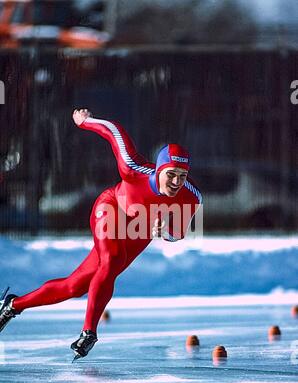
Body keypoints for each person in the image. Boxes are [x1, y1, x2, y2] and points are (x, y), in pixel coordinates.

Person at [0, 109, 202, 360]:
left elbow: (178, 233)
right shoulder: (134, 168)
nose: (175, 183)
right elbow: (115, 132)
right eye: (170, 174)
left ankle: (12, 306)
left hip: (139, 231)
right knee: (112, 260)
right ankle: (89, 332)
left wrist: (165, 232)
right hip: (111, 208)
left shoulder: (191, 197)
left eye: (181, 177)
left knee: (74, 286)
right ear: (158, 170)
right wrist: (86, 121)